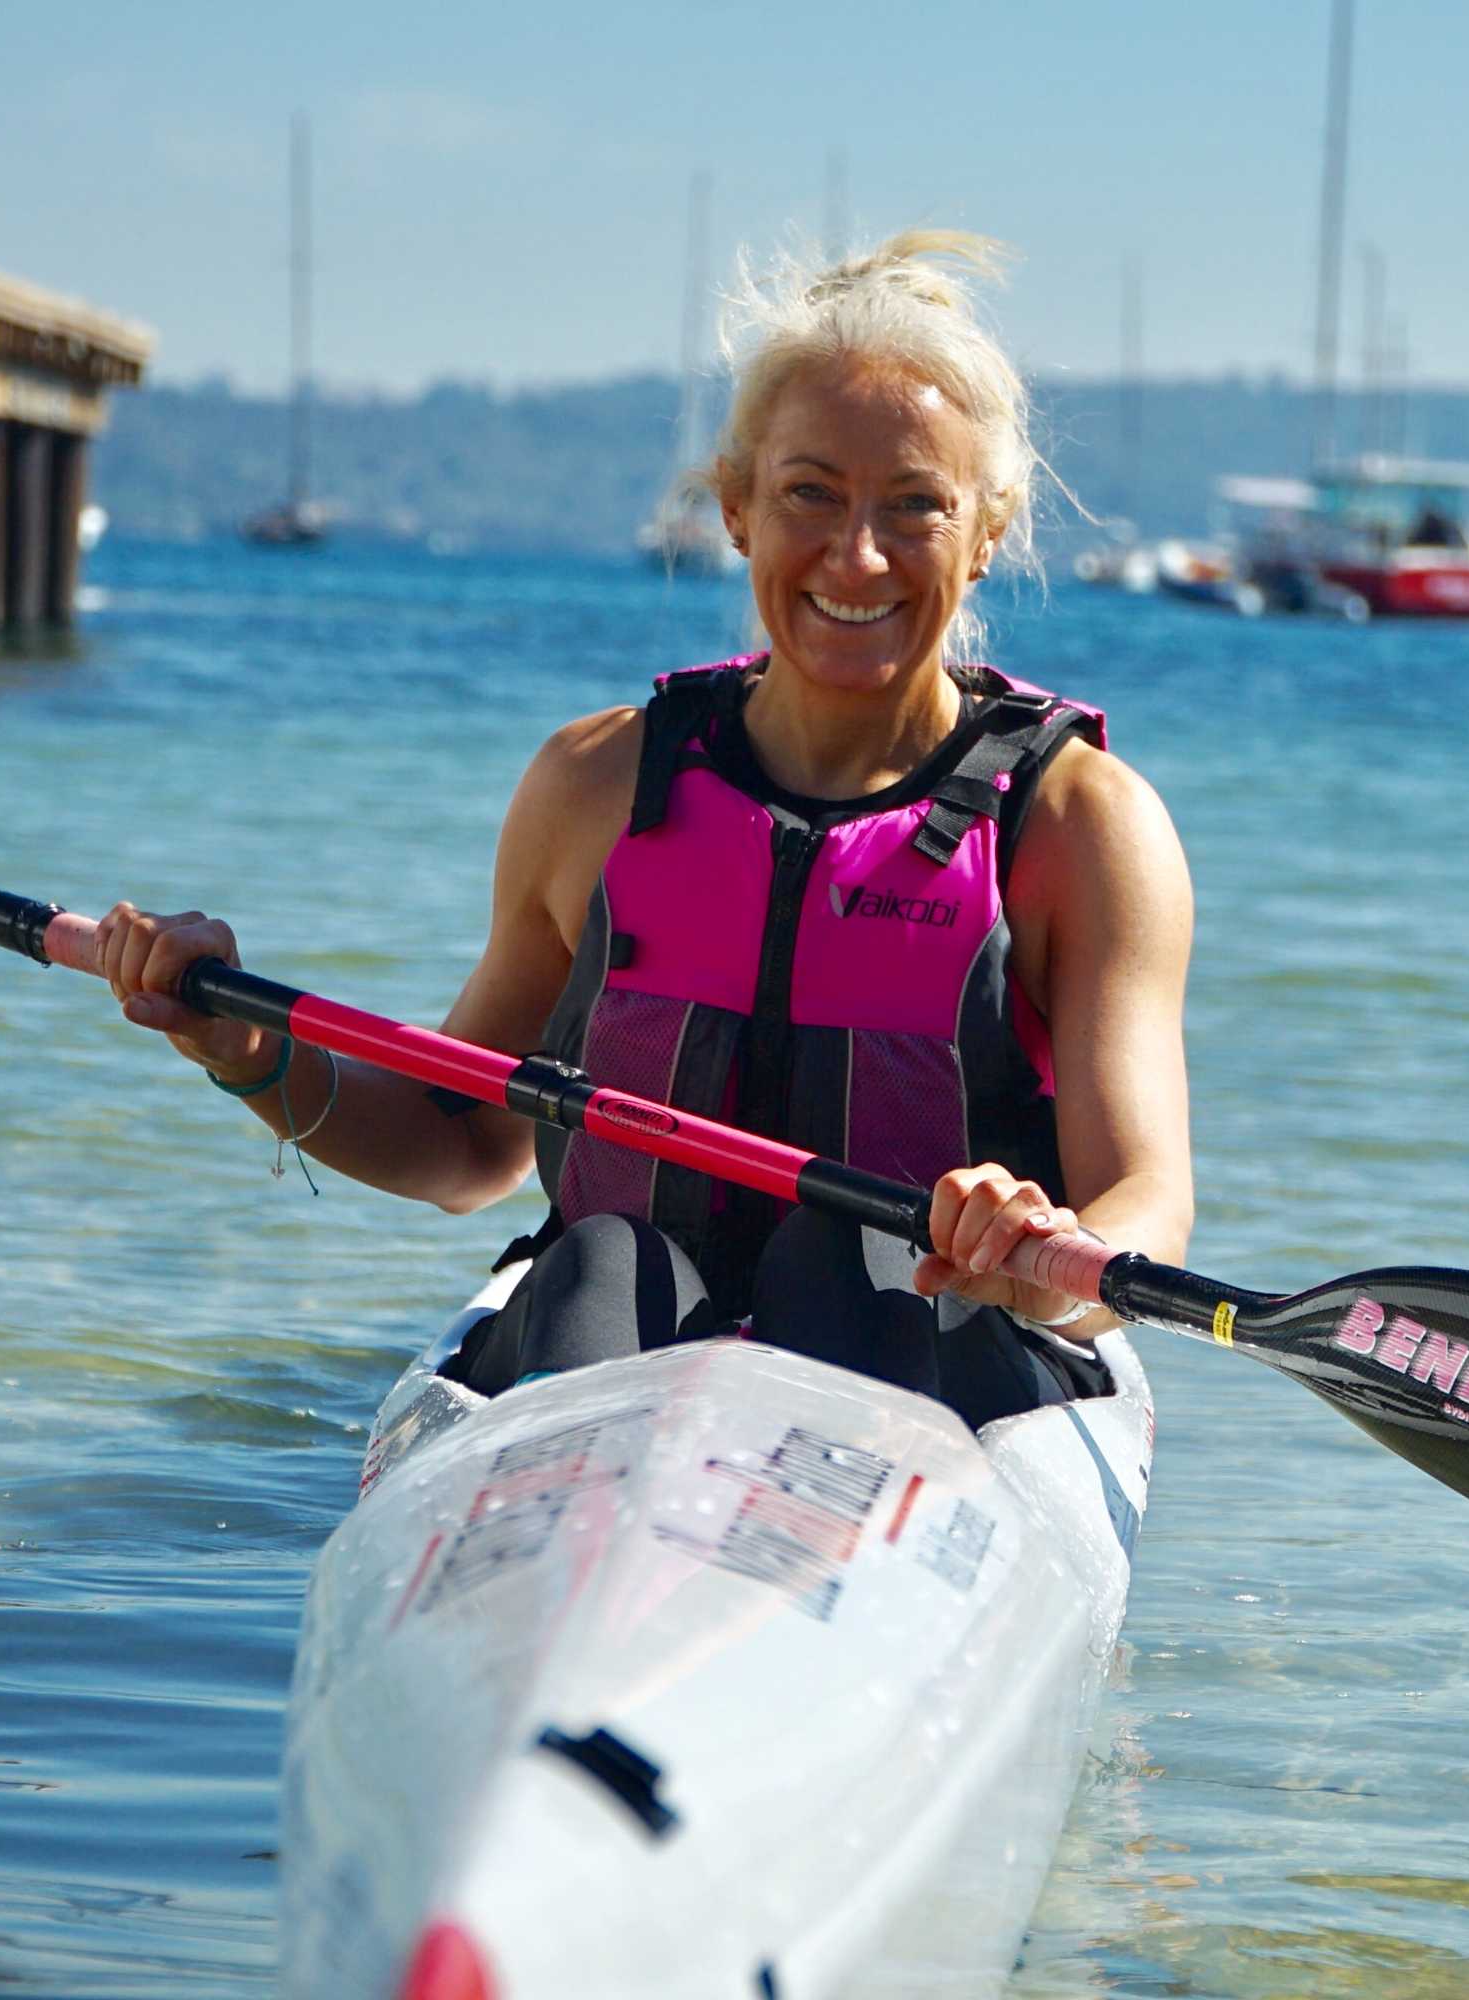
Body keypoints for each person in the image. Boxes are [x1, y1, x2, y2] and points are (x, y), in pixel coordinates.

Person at [92, 231, 1193, 1430]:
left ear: (986, 533)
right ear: (735, 508)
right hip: (613, 1340)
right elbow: (461, 1146)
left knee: (850, 1261)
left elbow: (1147, 1203)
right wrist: (243, 1049)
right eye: (809, 493)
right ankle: (555, 1550)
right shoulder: (597, 784)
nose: (857, 553)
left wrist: (1038, 1251)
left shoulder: (1078, 823)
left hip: (941, 1360)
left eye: (915, 507)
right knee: (602, 1253)